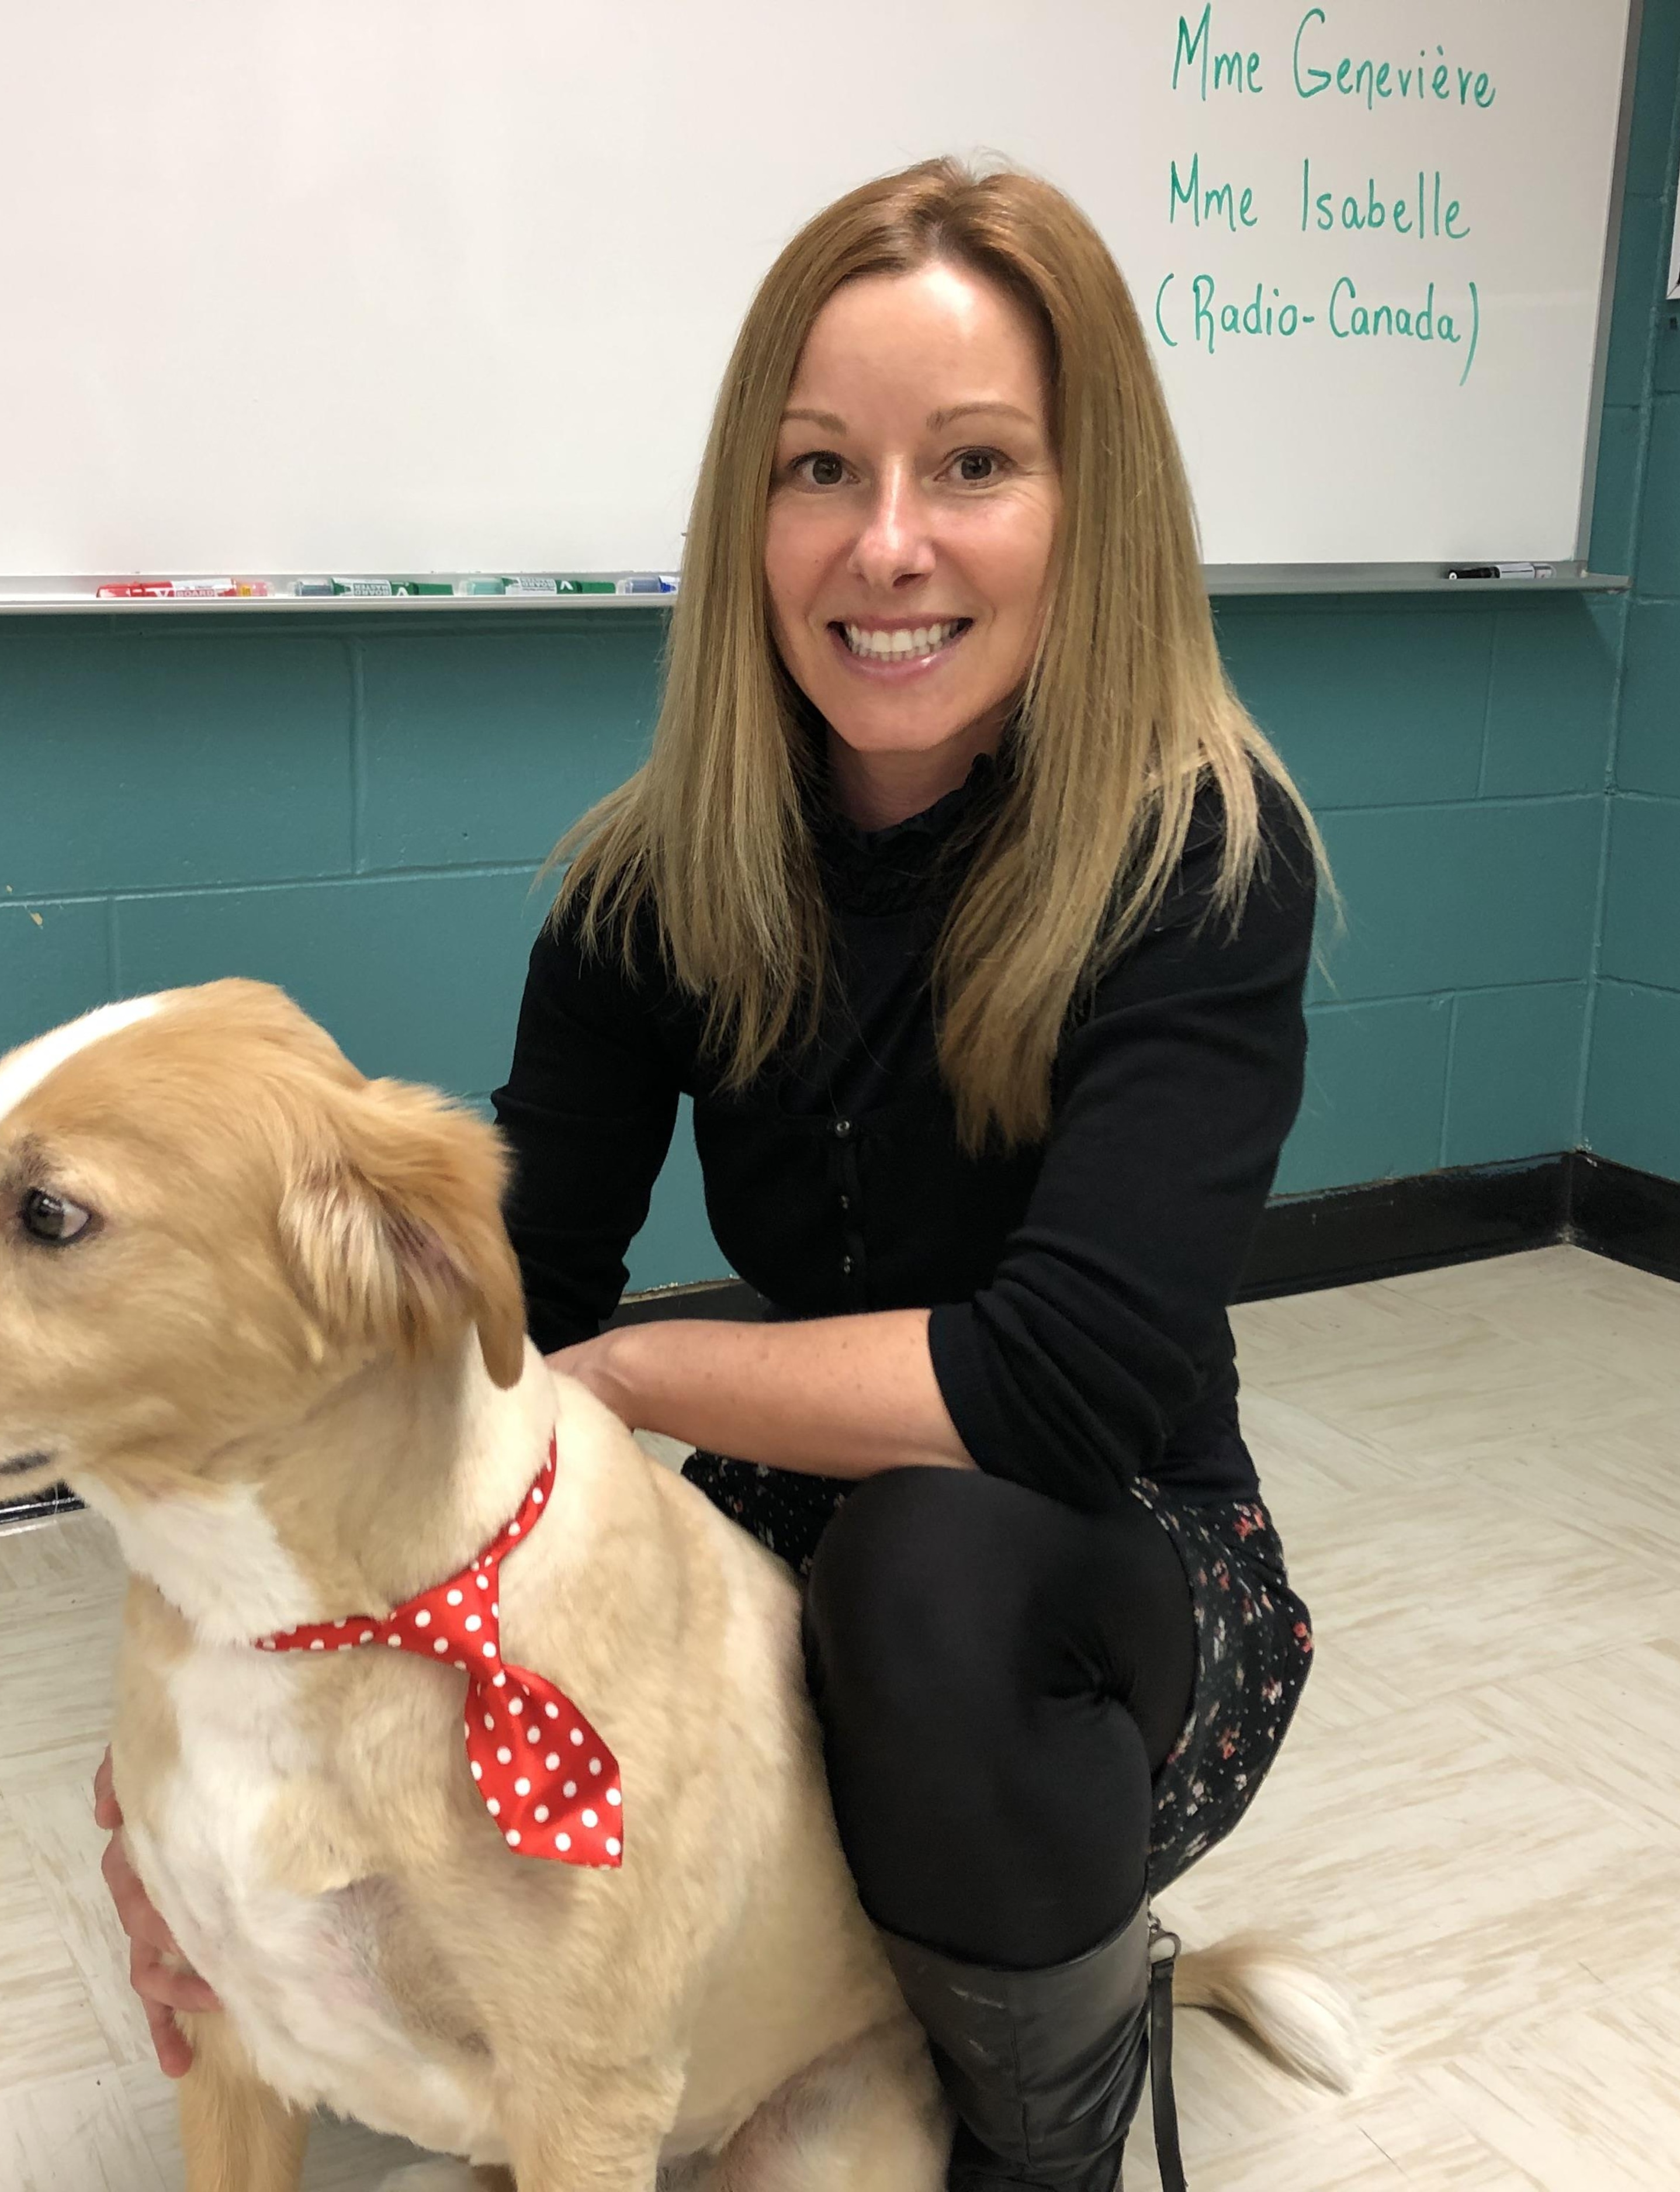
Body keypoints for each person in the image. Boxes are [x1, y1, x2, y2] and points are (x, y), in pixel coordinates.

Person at [99, 155, 1326, 2190]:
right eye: (819, 469)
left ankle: (1053, 2132)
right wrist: (173, 1772)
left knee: (926, 1578)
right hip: (784, 1540)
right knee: (532, 1600)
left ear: (1090, 510)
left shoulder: (1196, 856)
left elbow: (1064, 1383)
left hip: (1095, 1581)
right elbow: (503, 1322)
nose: (888, 545)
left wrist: (645, 1383)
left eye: (979, 466)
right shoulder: (646, 882)